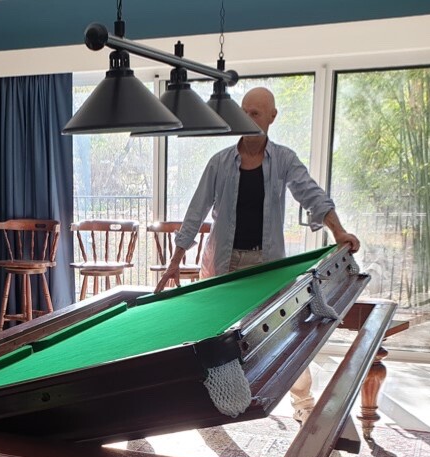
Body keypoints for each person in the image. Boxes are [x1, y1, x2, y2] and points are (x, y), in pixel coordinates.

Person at [154, 86, 360, 424]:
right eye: (244, 111)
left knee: (281, 336)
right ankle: (213, 404)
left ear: (272, 117)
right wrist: (175, 262)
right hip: (223, 266)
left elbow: (312, 196)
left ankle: (303, 401)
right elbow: (195, 213)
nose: (248, 118)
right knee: (215, 343)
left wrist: (338, 232)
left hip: (266, 268)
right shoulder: (219, 163)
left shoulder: (284, 160)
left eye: (256, 113)